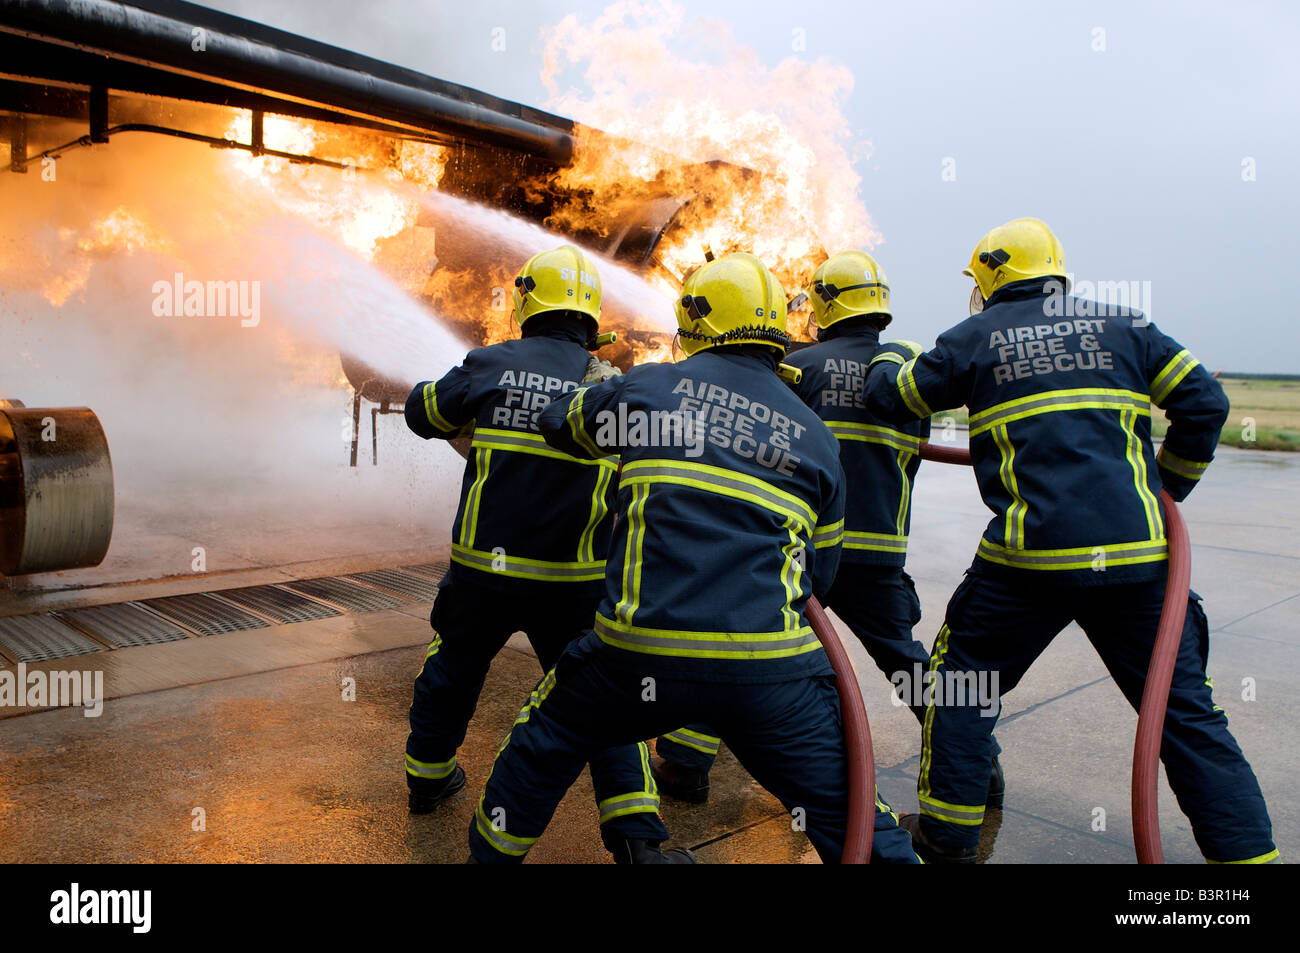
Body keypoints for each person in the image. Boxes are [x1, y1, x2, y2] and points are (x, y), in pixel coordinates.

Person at [466, 252, 919, 864]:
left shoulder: (648, 385)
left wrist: (603, 385)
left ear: (695, 324)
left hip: (634, 658)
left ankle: (488, 857)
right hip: (769, 676)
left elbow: (559, 424)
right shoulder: (815, 433)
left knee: (541, 748)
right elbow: (822, 575)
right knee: (851, 808)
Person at [866, 217, 1278, 864]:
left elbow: (894, 397)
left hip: (1025, 565)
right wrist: (1163, 492)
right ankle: (1249, 862)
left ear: (991, 279)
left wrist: (887, 354)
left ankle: (947, 838)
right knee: (1189, 721)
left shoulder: (974, 336)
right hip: (1139, 563)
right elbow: (1207, 404)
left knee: (962, 690)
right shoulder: (1127, 324)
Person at [652, 251, 1004, 808]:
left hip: (805, 551)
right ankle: (978, 764)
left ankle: (686, 764)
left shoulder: (800, 368)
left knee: (740, 647)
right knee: (907, 664)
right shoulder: (906, 367)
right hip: (879, 553)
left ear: (824, 304)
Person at [403, 244, 674, 864]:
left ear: (527, 301)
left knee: (453, 674)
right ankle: (635, 838)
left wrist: (451, 400)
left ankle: (427, 779)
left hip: (481, 575)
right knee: (603, 698)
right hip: (574, 584)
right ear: (590, 315)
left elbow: (424, 413)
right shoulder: (612, 386)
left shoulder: (488, 363)